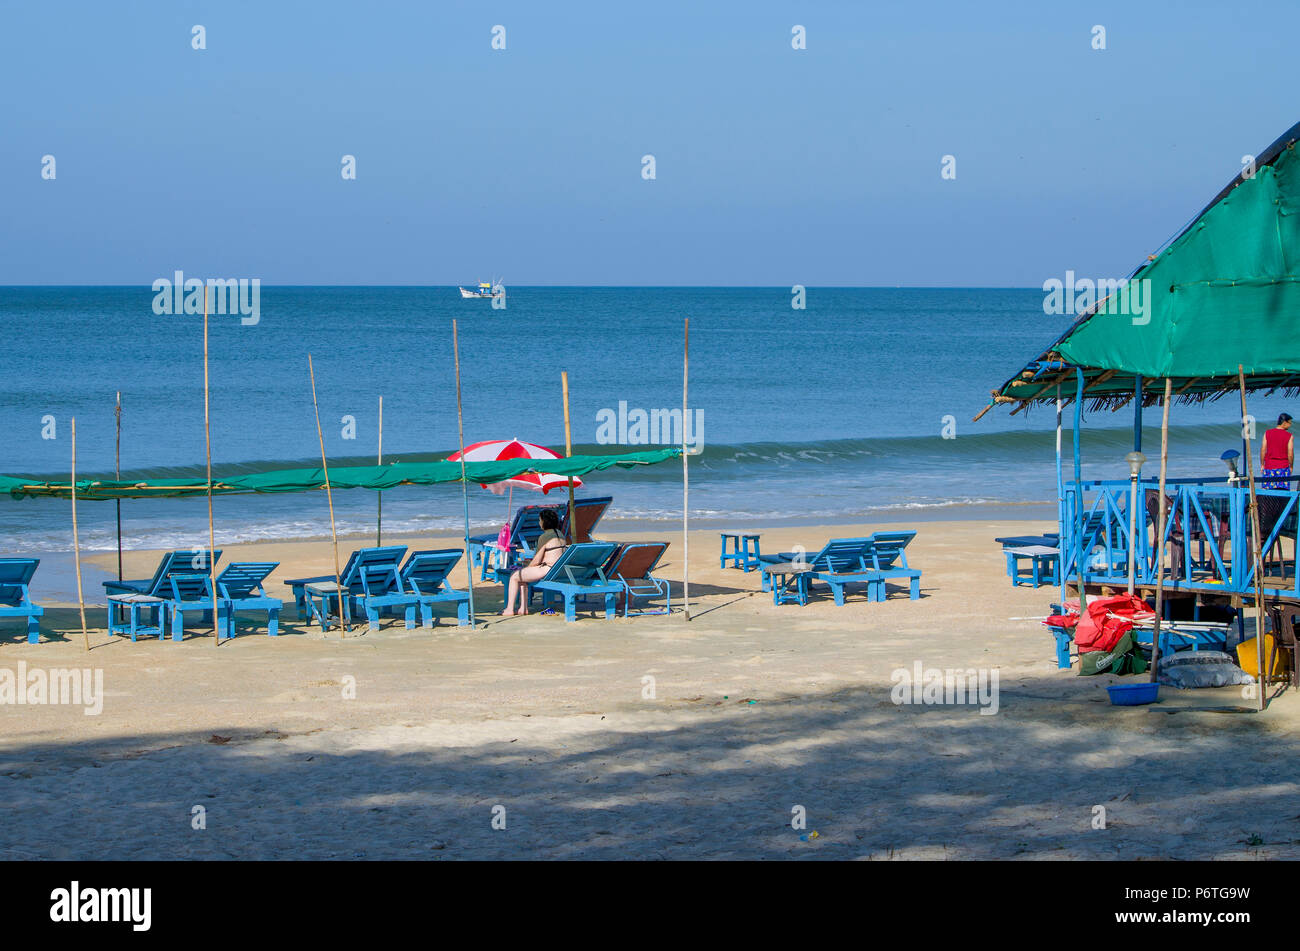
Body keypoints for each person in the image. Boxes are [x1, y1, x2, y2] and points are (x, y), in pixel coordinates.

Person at [502, 508, 565, 616]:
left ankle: (509, 609)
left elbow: (537, 560)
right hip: (557, 569)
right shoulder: (560, 533)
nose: (539, 523)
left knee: (514, 576)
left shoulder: (545, 536)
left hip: (547, 569)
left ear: (545, 522)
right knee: (522, 576)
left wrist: (527, 567)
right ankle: (523, 608)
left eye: (540, 520)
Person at [1261, 413, 1294, 489]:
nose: (1290, 425)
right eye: (1290, 423)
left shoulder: (1267, 433)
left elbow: (1263, 450)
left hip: (1269, 467)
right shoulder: (1289, 436)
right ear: (1284, 423)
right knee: (1282, 492)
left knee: (1268, 492)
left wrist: (1262, 464)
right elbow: (1290, 454)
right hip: (1283, 467)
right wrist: (1291, 466)